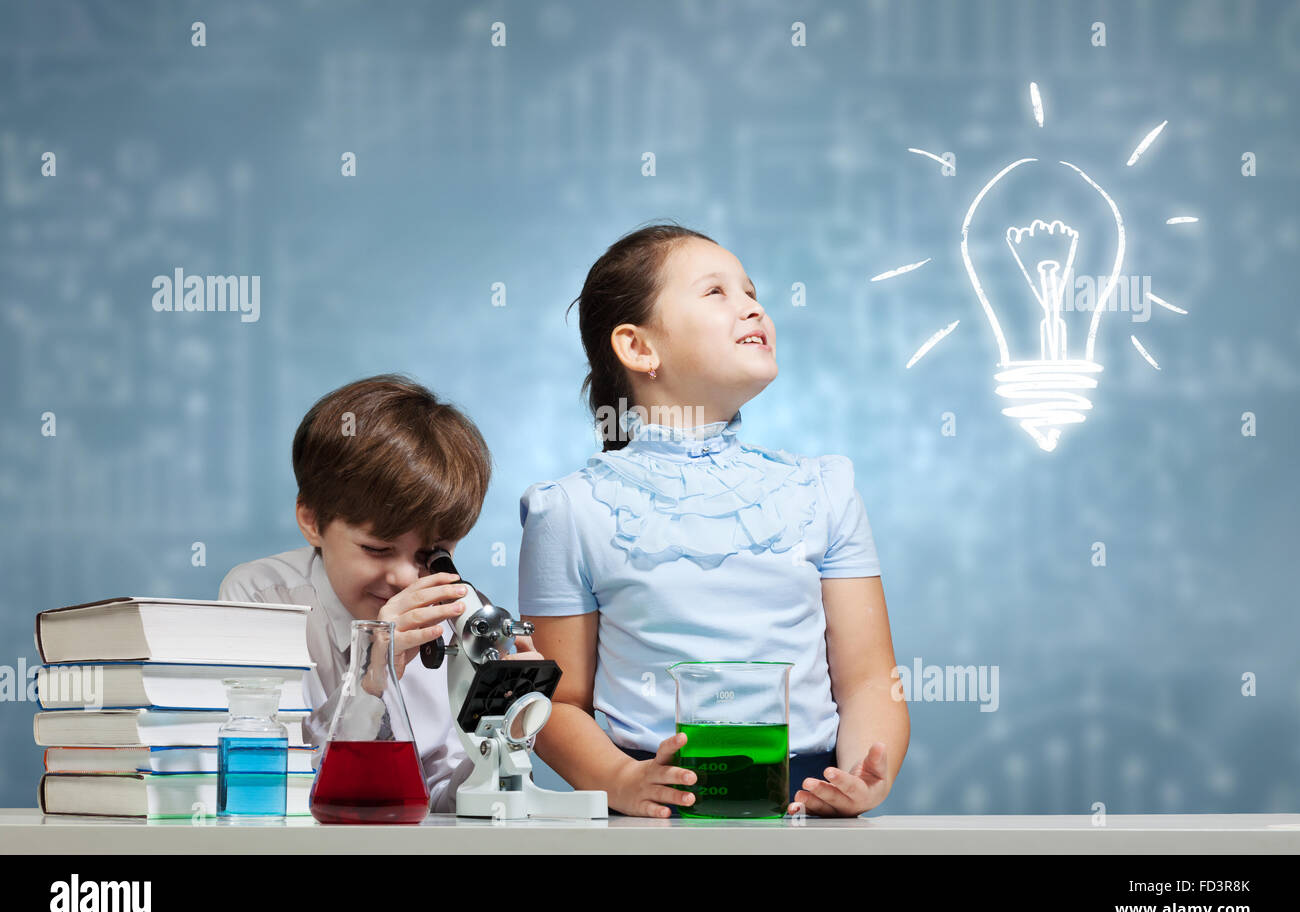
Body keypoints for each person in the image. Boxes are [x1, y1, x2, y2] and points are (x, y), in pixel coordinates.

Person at [519, 223, 909, 817]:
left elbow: (868, 680)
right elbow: (559, 700)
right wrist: (621, 781)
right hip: (654, 810)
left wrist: (861, 778)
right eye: (716, 293)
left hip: (805, 807)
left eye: (753, 293)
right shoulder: (569, 509)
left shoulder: (823, 491)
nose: (752, 307)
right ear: (639, 348)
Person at [219, 374, 536, 813]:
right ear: (312, 520)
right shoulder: (261, 597)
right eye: (377, 549)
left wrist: (500, 732)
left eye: (433, 556)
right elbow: (276, 789)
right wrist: (373, 675)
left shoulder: (456, 616)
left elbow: (442, 800)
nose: (407, 579)